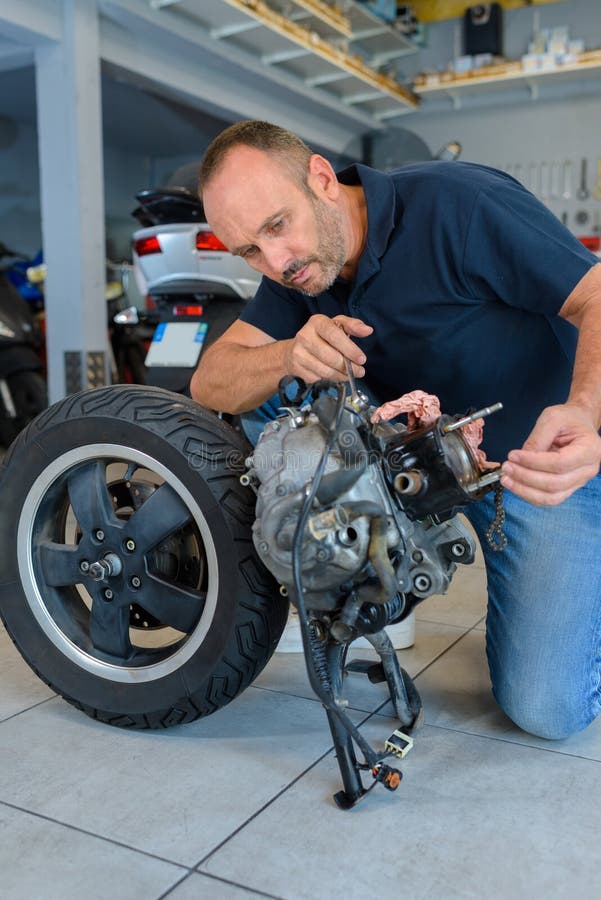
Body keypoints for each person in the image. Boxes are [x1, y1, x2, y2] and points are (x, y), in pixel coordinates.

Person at [190, 120, 601, 741]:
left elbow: (595, 293)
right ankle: (377, 589)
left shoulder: (459, 206)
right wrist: (287, 356)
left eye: (277, 226)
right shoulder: (300, 272)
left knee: (547, 708)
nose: (274, 262)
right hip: (420, 469)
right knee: (267, 398)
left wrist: (585, 412)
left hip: (536, 467)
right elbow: (209, 381)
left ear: (322, 181)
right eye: (247, 250)